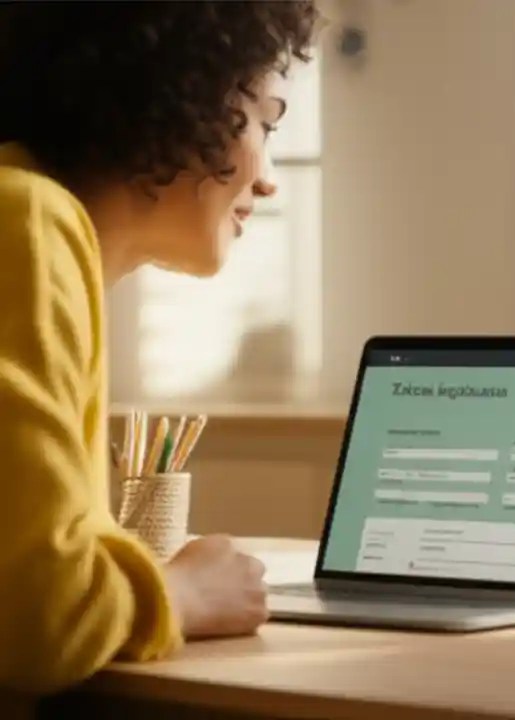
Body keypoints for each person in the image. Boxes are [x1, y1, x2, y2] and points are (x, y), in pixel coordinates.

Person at [0, 2, 317, 692]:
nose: (266, 178)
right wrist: (183, 595)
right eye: (265, 121)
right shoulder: (26, 222)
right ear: (184, 100)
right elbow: (32, 620)